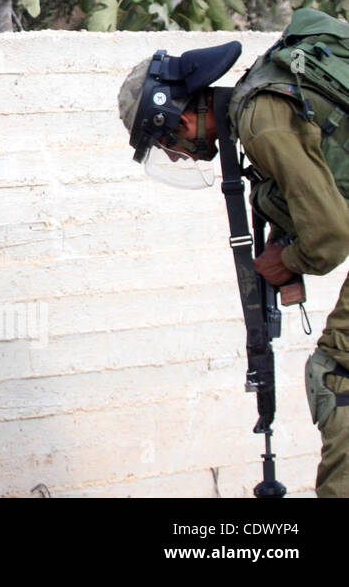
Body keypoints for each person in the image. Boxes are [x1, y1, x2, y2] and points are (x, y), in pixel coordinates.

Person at [118, 28, 349, 497]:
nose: (177, 156)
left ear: (180, 121)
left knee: (336, 374)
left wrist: (287, 261)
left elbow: (329, 238)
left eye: (167, 146)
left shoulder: (259, 118)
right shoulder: (266, 91)